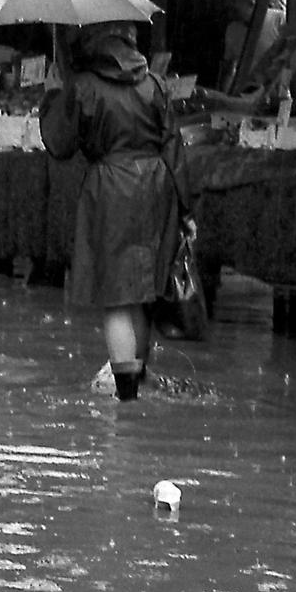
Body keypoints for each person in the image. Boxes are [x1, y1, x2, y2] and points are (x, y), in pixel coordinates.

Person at [40, 22, 189, 402]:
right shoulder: (154, 84)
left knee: (117, 295)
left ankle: (126, 401)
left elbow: (60, 144)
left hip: (111, 189)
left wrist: (53, 95)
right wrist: (187, 209)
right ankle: (135, 384)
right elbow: (174, 148)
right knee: (141, 292)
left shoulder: (84, 86)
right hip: (158, 187)